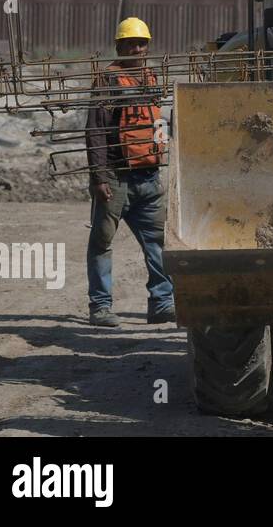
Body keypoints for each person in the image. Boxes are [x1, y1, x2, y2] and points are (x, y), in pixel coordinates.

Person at [84, 17, 174, 327]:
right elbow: (95, 130)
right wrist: (99, 176)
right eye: (130, 43)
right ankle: (101, 307)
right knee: (102, 242)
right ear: (119, 46)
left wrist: (159, 157)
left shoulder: (151, 77)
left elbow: (157, 123)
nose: (136, 48)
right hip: (115, 178)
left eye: (141, 43)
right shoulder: (107, 81)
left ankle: (162, 303)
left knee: (159, 242)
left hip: (148, 177)